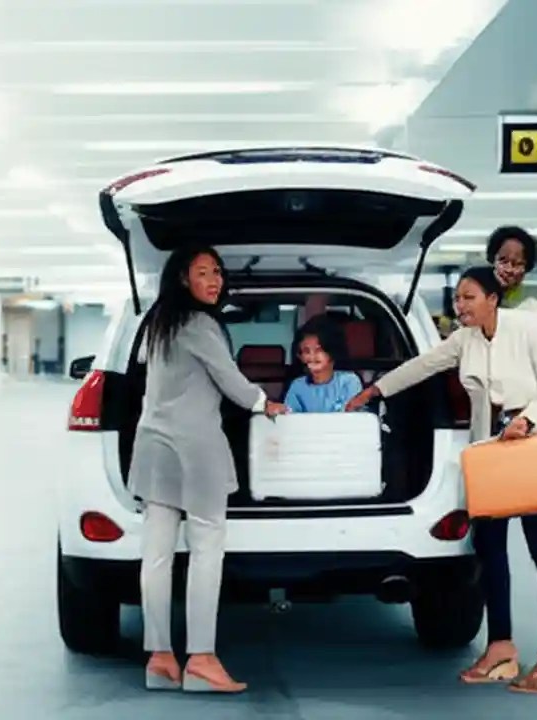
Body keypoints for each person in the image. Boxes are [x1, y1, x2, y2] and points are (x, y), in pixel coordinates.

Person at [345, 266, 537, 694]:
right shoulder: (464, 339)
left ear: (493, 297)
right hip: (488, 456)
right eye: (458, 300)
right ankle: (501, 648)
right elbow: (422, 365)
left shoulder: (526, 326)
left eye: (469, 298)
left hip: (530, 448)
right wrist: (373, 392)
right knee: (489, 552)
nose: (461, 306)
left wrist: (527, 420)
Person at [128, 244, 288, 694]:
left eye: (217, 271)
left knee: (156, 556)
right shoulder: (199, 324)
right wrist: (265, 403)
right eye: (203, 272)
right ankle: (201, 658)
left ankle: (160, 659)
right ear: (183, 278)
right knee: (206, 550)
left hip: (153, 447)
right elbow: (230, 378)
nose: (214, 279)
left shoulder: (157, 323)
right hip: (195, 451)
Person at [283, 317, 362, 413]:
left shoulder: (349, 381)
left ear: (333, 351)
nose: (312, 357)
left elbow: (351, 419)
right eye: (306, 351)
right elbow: (290, 419)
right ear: (300, 356)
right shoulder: (297, 386)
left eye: (318, 350)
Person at [486, 225, 537, 313]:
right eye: (503, 261)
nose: (509, 270)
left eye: (517, 264)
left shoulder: (530, 305)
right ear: (493, 260)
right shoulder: (476, 295)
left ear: (527, 267)